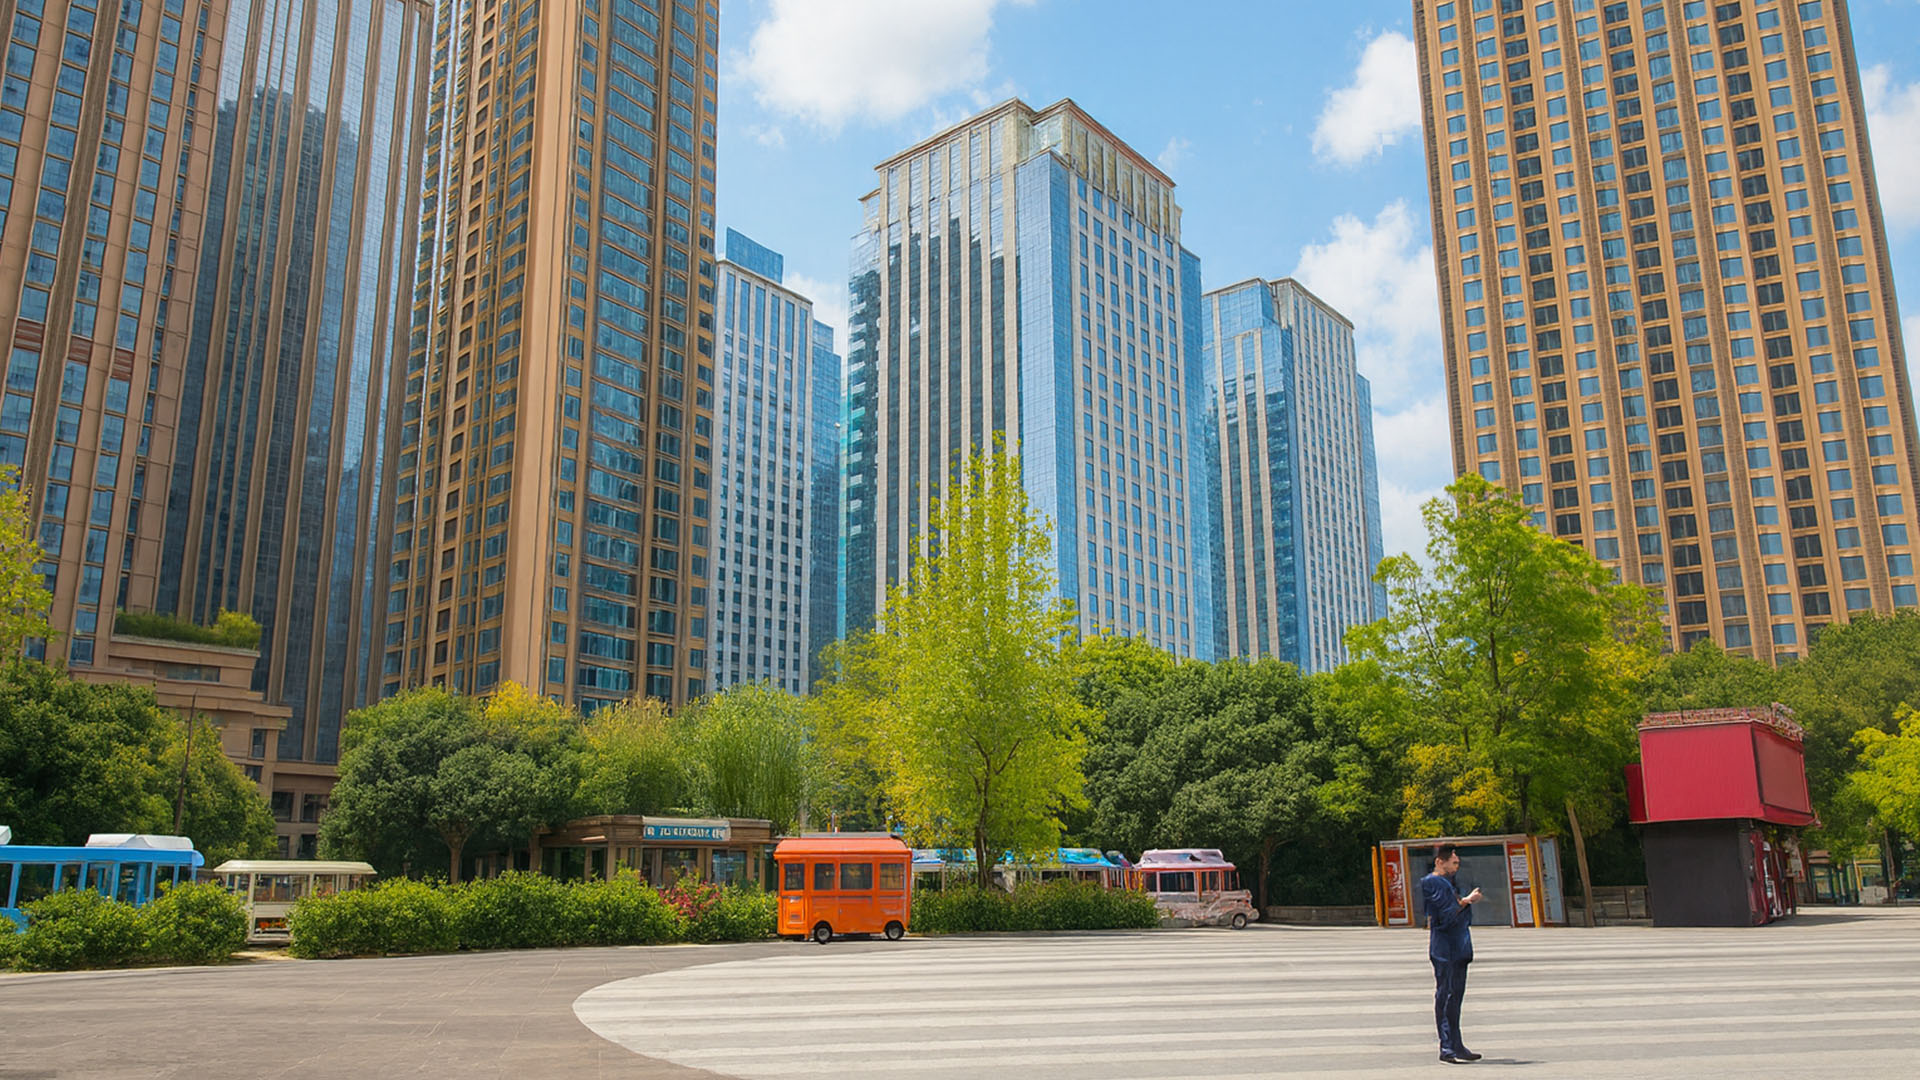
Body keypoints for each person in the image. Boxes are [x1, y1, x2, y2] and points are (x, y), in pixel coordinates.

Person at [1421, 843, 1484, 1064]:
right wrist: (1466, 901)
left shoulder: (1450, 882)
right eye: (1453, 862)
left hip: (1459, 947)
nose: (1457, 866)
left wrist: (1465, 900)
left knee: (1456, 997)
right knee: (1445, 995)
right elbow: (1444, 915)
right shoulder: (1432, 883)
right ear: (1440, 861)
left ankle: (1457, 1045)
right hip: (1444, 949)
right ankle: (1446, 1046)